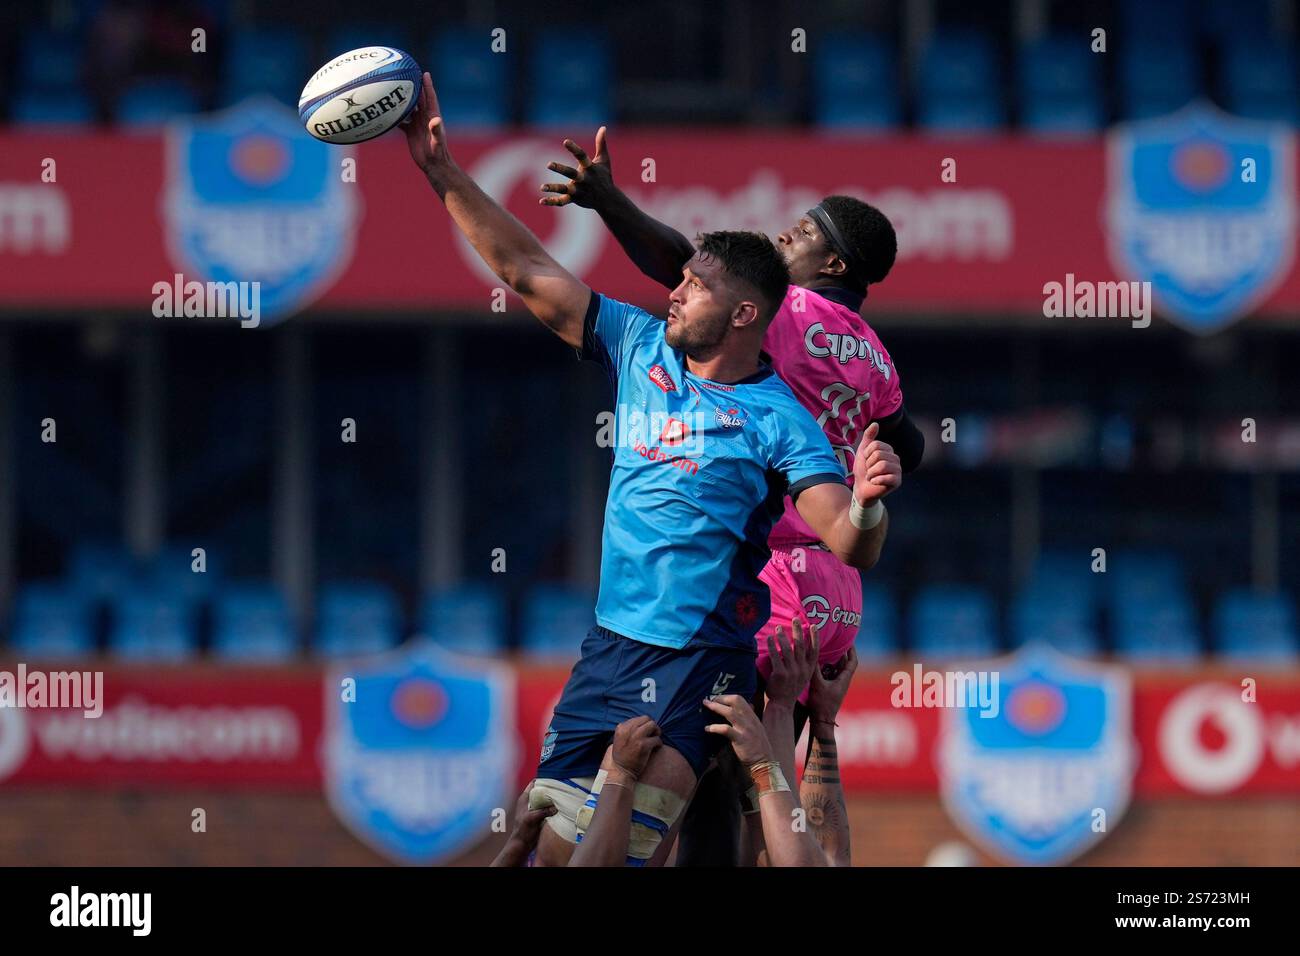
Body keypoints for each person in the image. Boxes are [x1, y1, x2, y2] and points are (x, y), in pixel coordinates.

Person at [404, 72, 903, 867]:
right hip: (606, 652)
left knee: (622, 855)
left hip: (698, 664)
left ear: (745, 315)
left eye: (693, 285)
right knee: (553, 858)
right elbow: (527, 272)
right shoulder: (638, 347)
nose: (673, 292)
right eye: (678, 281)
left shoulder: (781, 420)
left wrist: (871, 503)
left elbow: (849, 539)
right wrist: (441, 171)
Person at [541, 129, 921, 864]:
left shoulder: (791, 314)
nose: (787, 234)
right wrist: (855, 465)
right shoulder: (874, 353)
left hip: (776, 565)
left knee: (711, 761)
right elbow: (913, 444)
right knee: (773, 766)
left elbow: (688, 268)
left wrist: (611, 204)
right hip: (837, 587)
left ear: (832, 264)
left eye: (806, 231)